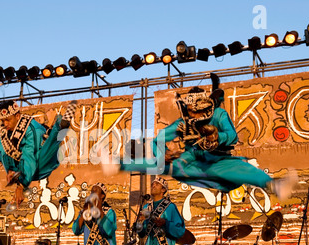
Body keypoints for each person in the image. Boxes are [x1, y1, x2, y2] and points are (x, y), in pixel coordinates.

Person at [107, 73, 297, 200]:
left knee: (238, 168)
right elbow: (160, 138)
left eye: (195, 111)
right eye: (189, 111)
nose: (192, 115)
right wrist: (162, 153)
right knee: (159, 165)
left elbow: (231, 135)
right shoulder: (183, 123)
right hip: (191, 161)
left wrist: (216, 136)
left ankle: (273, 185)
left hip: (217, 160)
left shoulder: (218, 115)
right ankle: (118, 164)